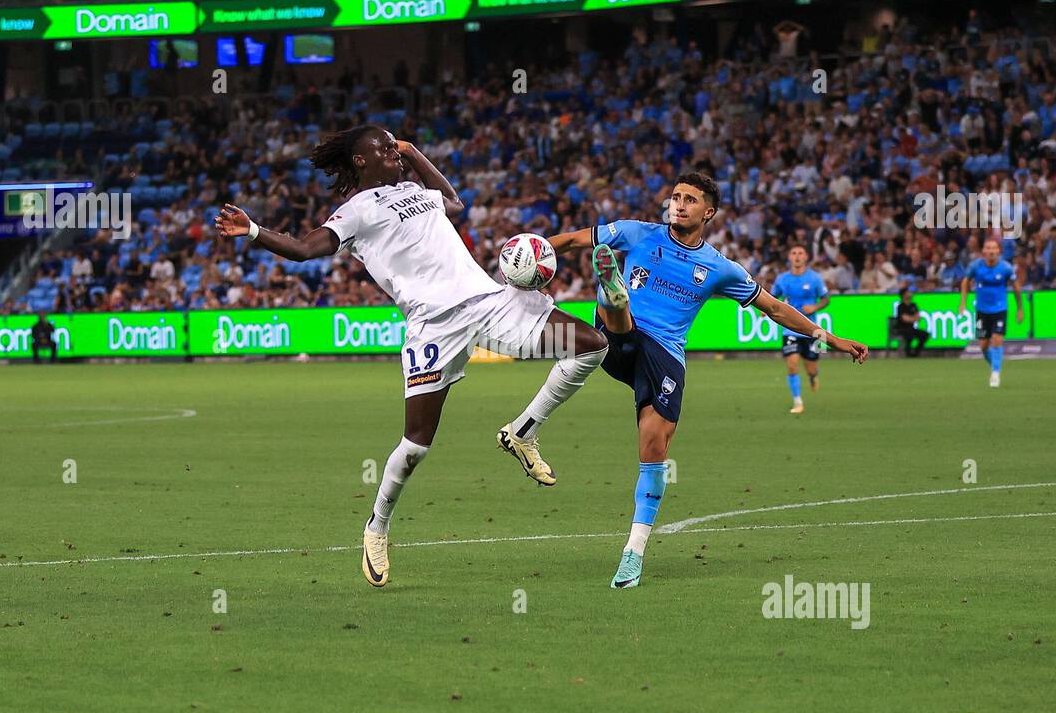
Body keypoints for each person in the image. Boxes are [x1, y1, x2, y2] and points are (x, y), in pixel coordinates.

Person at [215, 125, 607, 589]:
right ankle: (377, 525)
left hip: (486, 303)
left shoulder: (414, 189)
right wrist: (254, 230)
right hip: (432, 327)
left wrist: (413, 152)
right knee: (417, 444)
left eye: (393, 144)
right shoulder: (355, 212)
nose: (393, 152)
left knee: (592, 345)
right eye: (383, 148)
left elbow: (454, 203)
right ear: (360, 161)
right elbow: (304, 249)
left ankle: (523, 431)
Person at [547, 173, 868, 590]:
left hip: (663, 356)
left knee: (654, 448)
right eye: (675, 197)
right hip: (620, 340)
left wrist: (833, 339)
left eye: (690, 200)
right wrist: (530, 250)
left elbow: (774, 308)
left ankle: (633, 553)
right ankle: (612, 293)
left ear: (709, 212)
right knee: (619, 322)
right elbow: (571, 240)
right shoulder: (635, 233)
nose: (679, 205)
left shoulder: (720, 268)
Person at [771, 244, 830, 414]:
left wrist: (815, 307)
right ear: (789, 257)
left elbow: (826, 299)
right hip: (790, 328)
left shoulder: (815, 278)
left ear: (806, 257)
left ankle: (813, 376)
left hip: (813, 330)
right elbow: (773, 297)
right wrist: (764, 310)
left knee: (811, 366)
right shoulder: (782, 278)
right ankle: (798, 401)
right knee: (792, 365)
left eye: (800, 253)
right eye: (793, 253)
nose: (797, 256)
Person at [958, 238, 1024, 388]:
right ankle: (995, 364)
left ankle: (995, 374)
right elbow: (965, 282)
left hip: (1000, 309)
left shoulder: (1006, 268)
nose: (991, 251)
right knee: (983, 346)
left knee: (997, 338)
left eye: (994, 248)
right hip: (982, 310)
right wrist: (963, 303)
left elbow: (1016, 288)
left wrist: (1020, 309)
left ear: (998, 251)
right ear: (983, 252)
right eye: (988, 248)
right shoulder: (975, 266)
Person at [894, 287, 930, 357]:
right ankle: (908, 353)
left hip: (911, 328)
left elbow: (918, 317)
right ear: (904, 295)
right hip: (901, 328)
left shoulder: (913, 305)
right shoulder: (900, 306)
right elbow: (904, 319)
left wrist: (911, 318)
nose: (910, 294)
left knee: (925, 334)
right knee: (909, 335)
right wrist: (913, 318)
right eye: (908, 292)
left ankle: (916, 353)